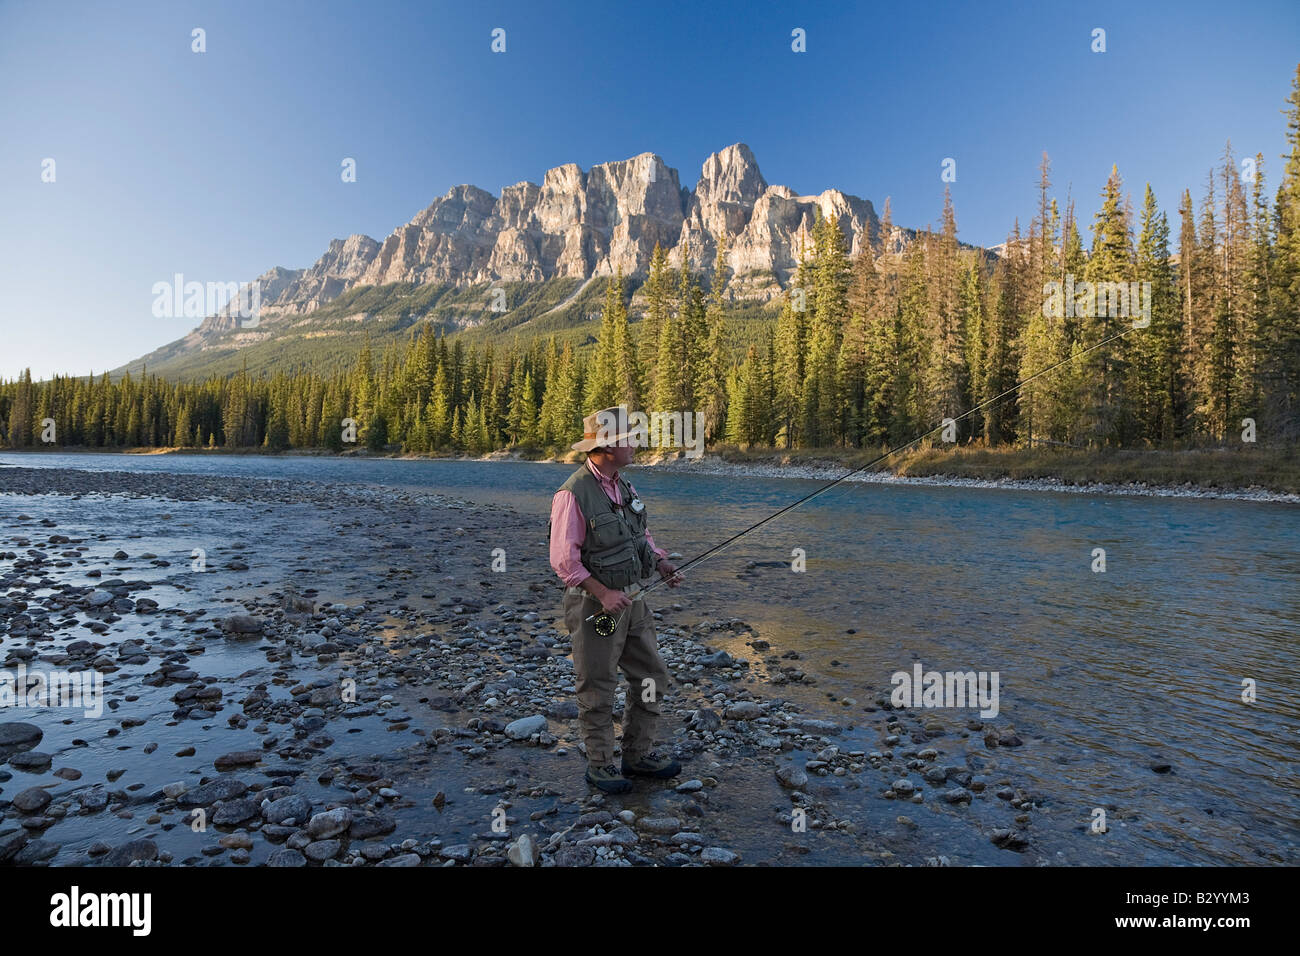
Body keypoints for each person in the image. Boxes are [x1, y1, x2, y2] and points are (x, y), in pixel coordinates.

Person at [548, 406, 685, 793]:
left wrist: (660, 563)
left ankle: (637, 755)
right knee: (598, 683)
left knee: (651, 677)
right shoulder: (572, 494)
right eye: (630, 438)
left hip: (634, 600)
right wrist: (603, 593)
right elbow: (563, 561)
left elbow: (640, 535)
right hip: (596, 608)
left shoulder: (624, 485)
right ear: (607, 446)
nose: (637, 444)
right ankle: (601, 764)